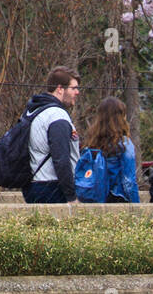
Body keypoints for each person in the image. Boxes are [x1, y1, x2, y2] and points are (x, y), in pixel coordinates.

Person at [21, 67, 81, 203]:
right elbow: (61, 159)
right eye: (74, 88)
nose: (77, 92)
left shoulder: (33, 111)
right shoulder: (56, 115)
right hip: (52, 188)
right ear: (60, 89)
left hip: (33, 184)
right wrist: (71, 197)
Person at [82, 96, 140, 202]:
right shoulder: (123, 143)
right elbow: (128, 181)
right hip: (116, 197)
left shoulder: (91, 143)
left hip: (94, 198)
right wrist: (136, 205)